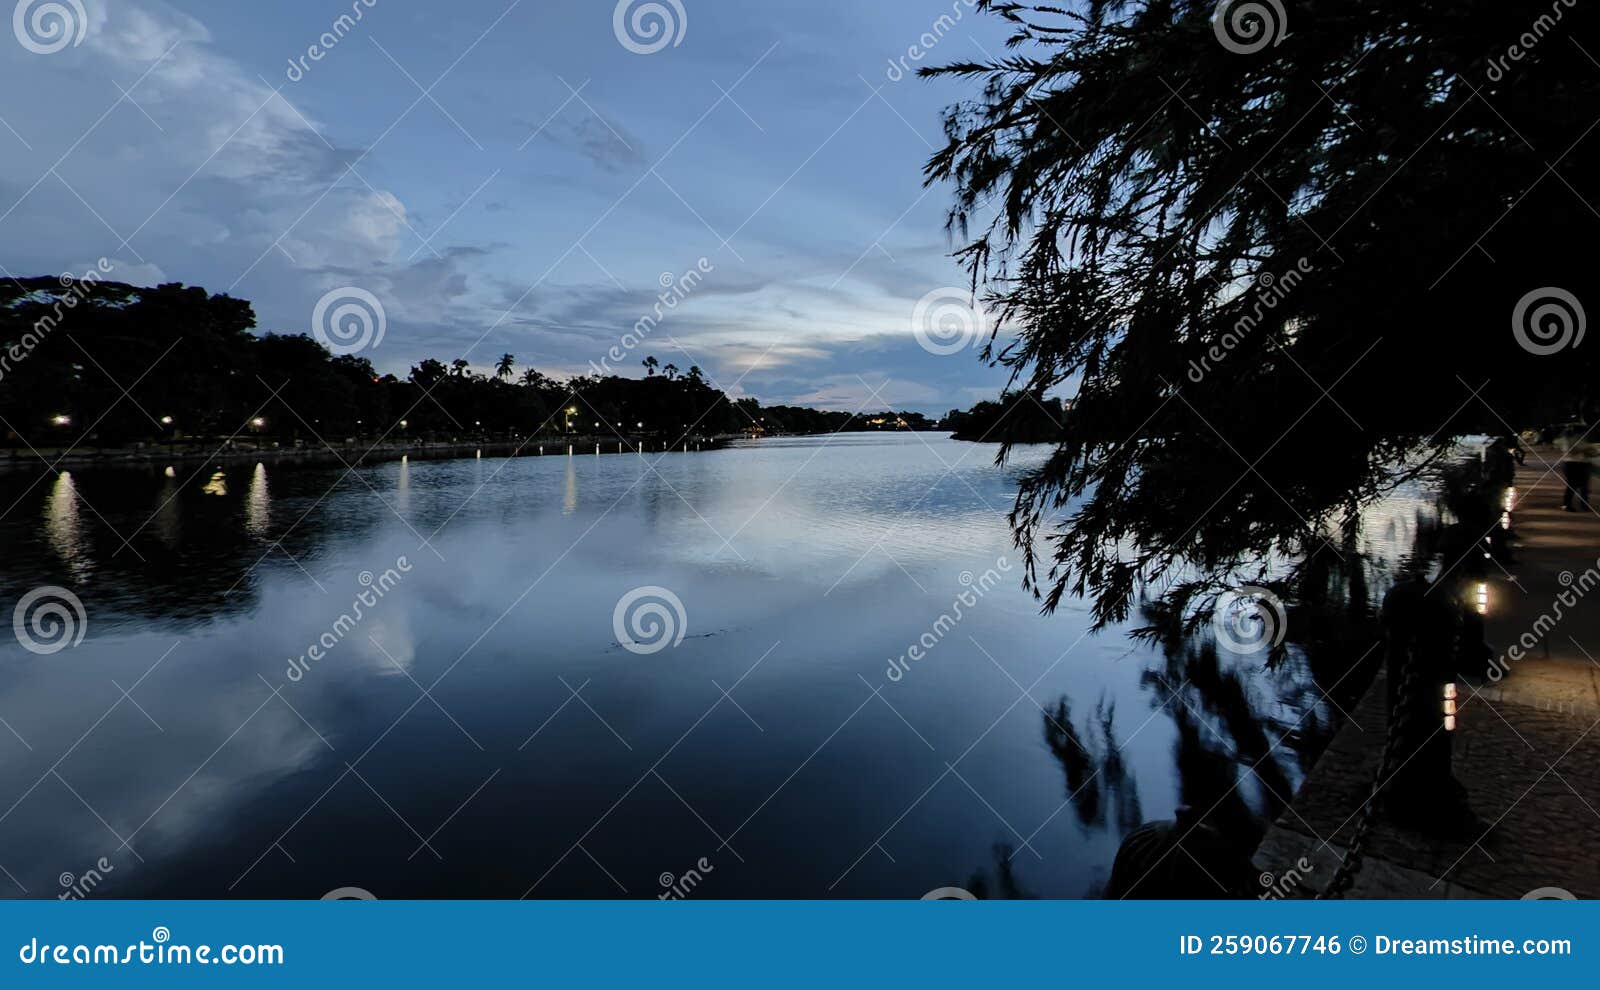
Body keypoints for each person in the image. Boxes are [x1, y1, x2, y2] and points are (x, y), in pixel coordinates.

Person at [1560, 436, 1594, 512]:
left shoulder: (1585, 439)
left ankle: (1584, 506)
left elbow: (1593, 452)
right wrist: (1584, 449)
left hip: (1583, 463)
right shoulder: (1568, 439)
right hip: (1571, 463)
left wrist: (1586, 450)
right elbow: (1570, 450)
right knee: (1572, 485)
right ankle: (1567, 505)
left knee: (1584, 486)